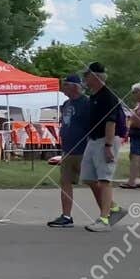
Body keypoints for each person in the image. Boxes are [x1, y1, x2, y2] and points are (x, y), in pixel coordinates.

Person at [79, 62, 127, 232]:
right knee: (88, 178)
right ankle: (113, 208)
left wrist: (108, 146)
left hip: (106, 139)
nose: (85, 78)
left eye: (87, 75)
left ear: (96, 76)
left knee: (104, 180)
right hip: (93, 140)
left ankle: (104, 219)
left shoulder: (108, 97)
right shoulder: (94, 97)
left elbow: (111, 122)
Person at [48, 75, 90, 228]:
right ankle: (66, 216)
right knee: (65, 181)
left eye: (65, 85)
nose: (63, 88)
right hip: (67, 148)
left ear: (75, 86)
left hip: (83, 149)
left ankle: (109, 209)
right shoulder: (66, 104)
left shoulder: (87, 103)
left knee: (93, 181)